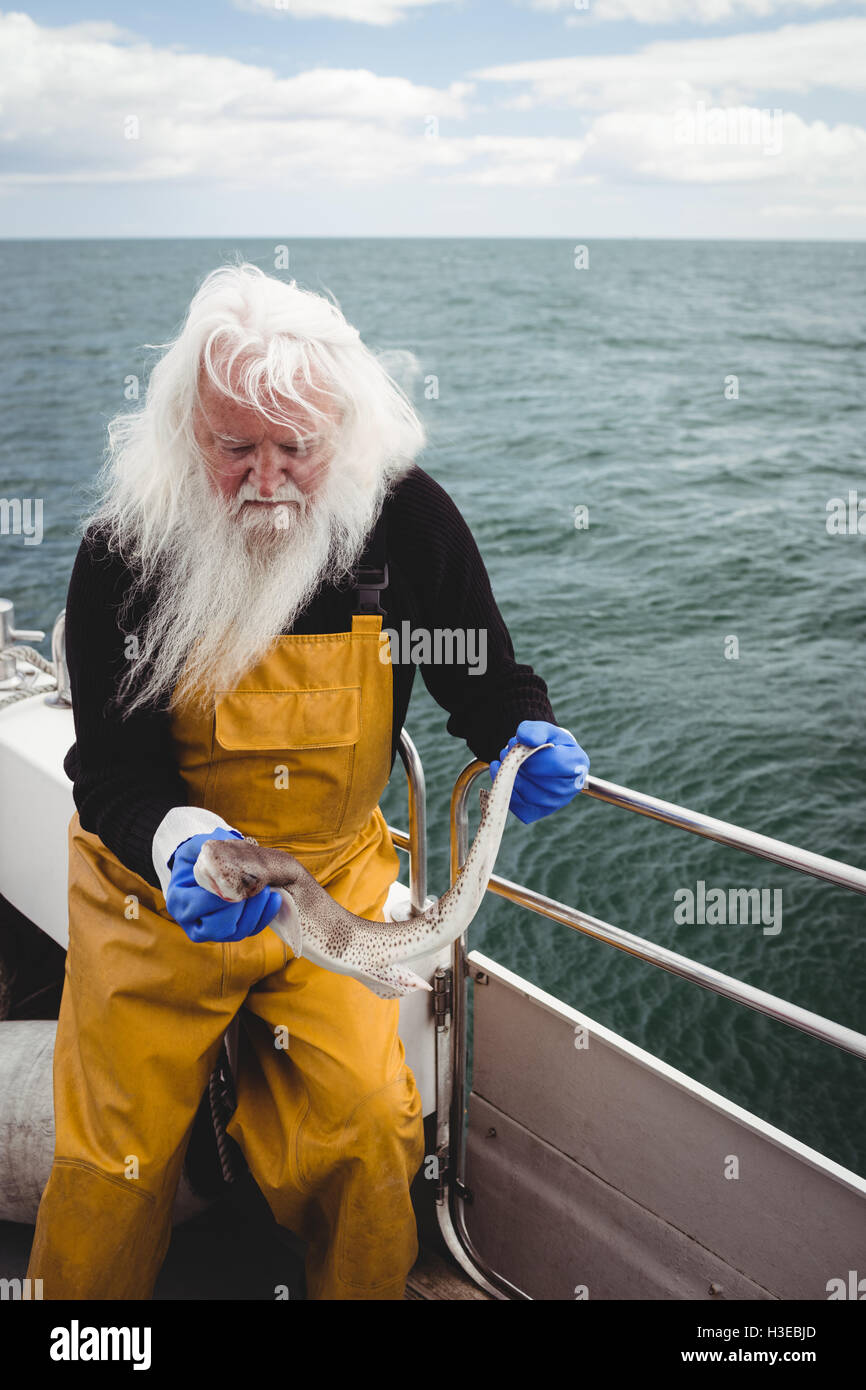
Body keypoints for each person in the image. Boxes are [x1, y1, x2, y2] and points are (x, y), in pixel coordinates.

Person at [27, 262, 590, 1301]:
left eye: (298, 446)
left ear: (348, 429)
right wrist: (183, 849)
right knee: (111, 1163)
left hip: (330, 889)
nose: (269, 476)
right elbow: (110, 767)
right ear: (185, 429)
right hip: (155, 895)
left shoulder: (407, 520)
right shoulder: (124, 548)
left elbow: (485, 679)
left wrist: (524, 736)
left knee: (368, 1133)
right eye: (234, 446)